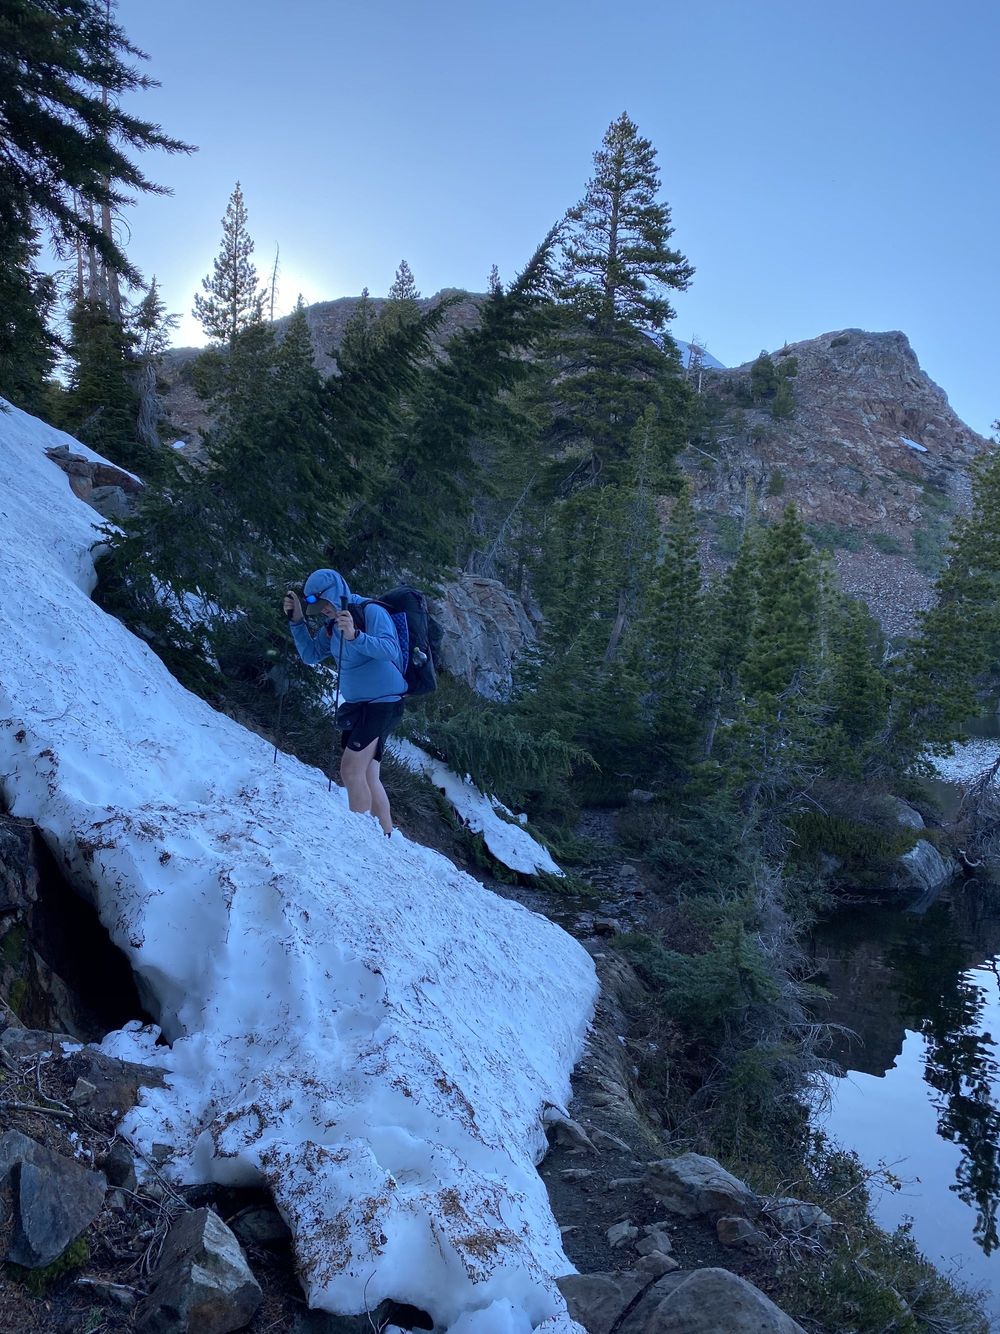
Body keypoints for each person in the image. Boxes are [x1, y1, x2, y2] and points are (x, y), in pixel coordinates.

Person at [284, 568, 406, 836]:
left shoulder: (370, 612)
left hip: (383, 702)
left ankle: (359, 836)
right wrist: (297, 622)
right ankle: (386, 837)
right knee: (368, 775)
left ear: (335, 595)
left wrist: (355, 636)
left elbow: (389, 649)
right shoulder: (333, 625)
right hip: (361, 705)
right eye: (319, 608)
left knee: (350, 770)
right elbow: (311, 654)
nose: (324, 611)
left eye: (325, 604)